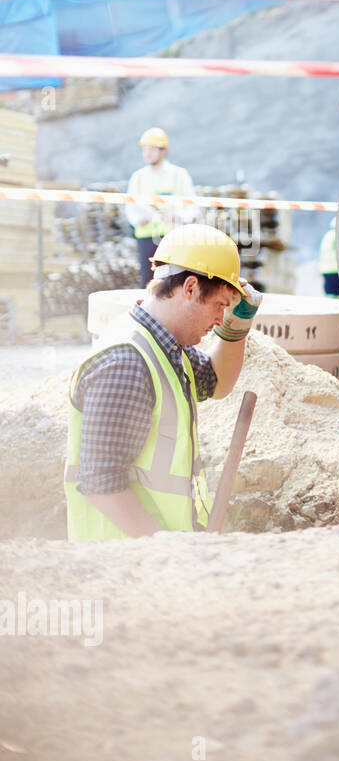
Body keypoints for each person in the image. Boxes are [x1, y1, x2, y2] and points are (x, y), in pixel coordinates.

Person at [64, 224, 263, 540]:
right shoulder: (127, 364)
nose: (219, 319)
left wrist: (237, 327)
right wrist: (164, 548)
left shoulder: (167, 347)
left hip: (156, 556)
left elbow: (216, 382)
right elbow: (101, 484)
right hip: (123, 562)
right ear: (190, 288)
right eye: (220, 306)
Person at [125, 127, 198, 288]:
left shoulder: (179, 175)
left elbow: (193, 206)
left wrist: (180, 217)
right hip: (147, 238)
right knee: (149, 284)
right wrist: (139, 220)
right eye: (145, 149)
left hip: (173, 238)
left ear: (163, 151)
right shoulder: (138, 177)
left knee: (174, 284)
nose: (147, 153)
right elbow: (130, 207)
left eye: (151, 149)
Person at [319, 216, 339, 299]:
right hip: (335, 269)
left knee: (330, 293)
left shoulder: (328, 235)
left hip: (325, 269)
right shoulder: (337, 236)